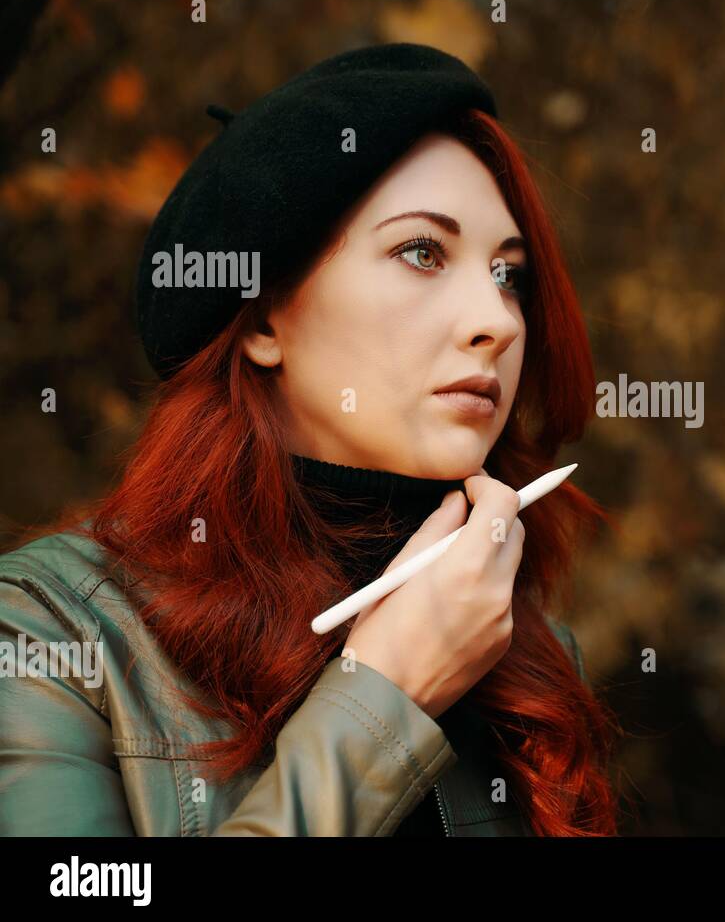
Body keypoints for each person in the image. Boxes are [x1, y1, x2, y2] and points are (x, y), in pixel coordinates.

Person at [0, 44, 621, 836]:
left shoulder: (522, 654)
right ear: (262, 320)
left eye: (508, 274)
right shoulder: (52, 639)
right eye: (421, 252)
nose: (497, 321)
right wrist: (384, 700)